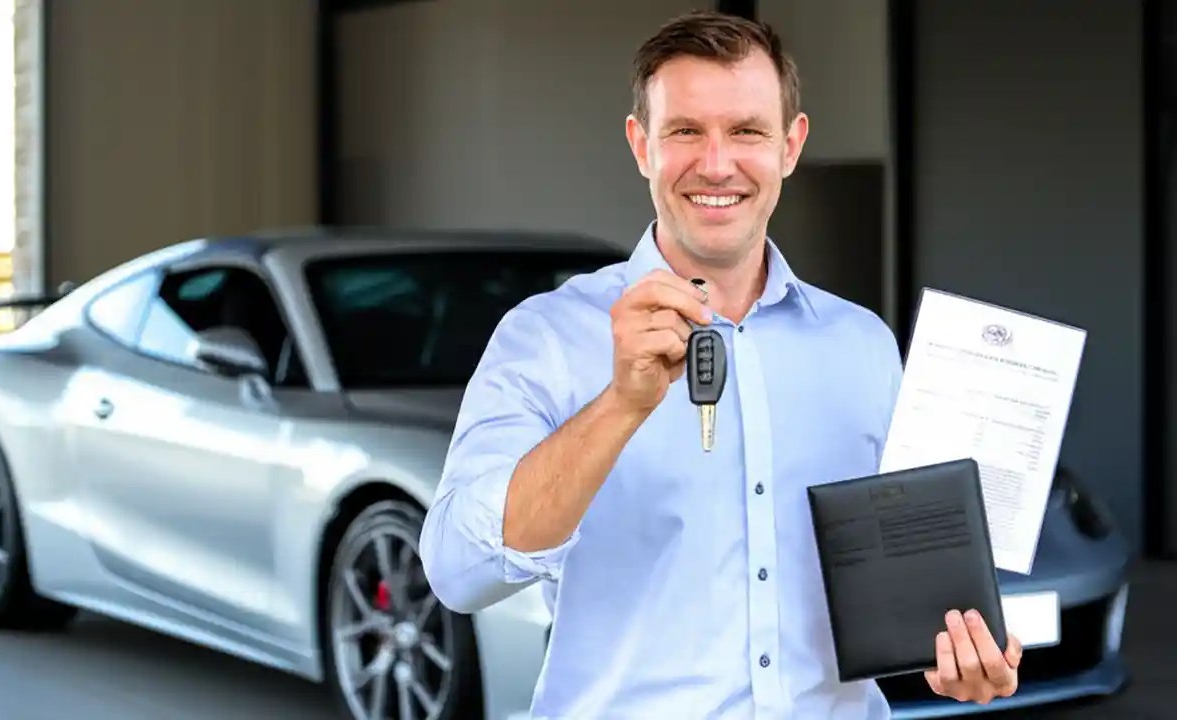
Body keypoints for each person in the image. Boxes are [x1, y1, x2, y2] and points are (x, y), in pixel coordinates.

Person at [419, 10, 1022, 719]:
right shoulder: (544, 337)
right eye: (684, 131)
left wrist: (956, 655)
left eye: (746, 131)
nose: (715, 163)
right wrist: (620, 404)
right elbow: (458, 574)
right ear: (640, 145)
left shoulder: (863, 346)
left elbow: (911, 572)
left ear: (790, 146)